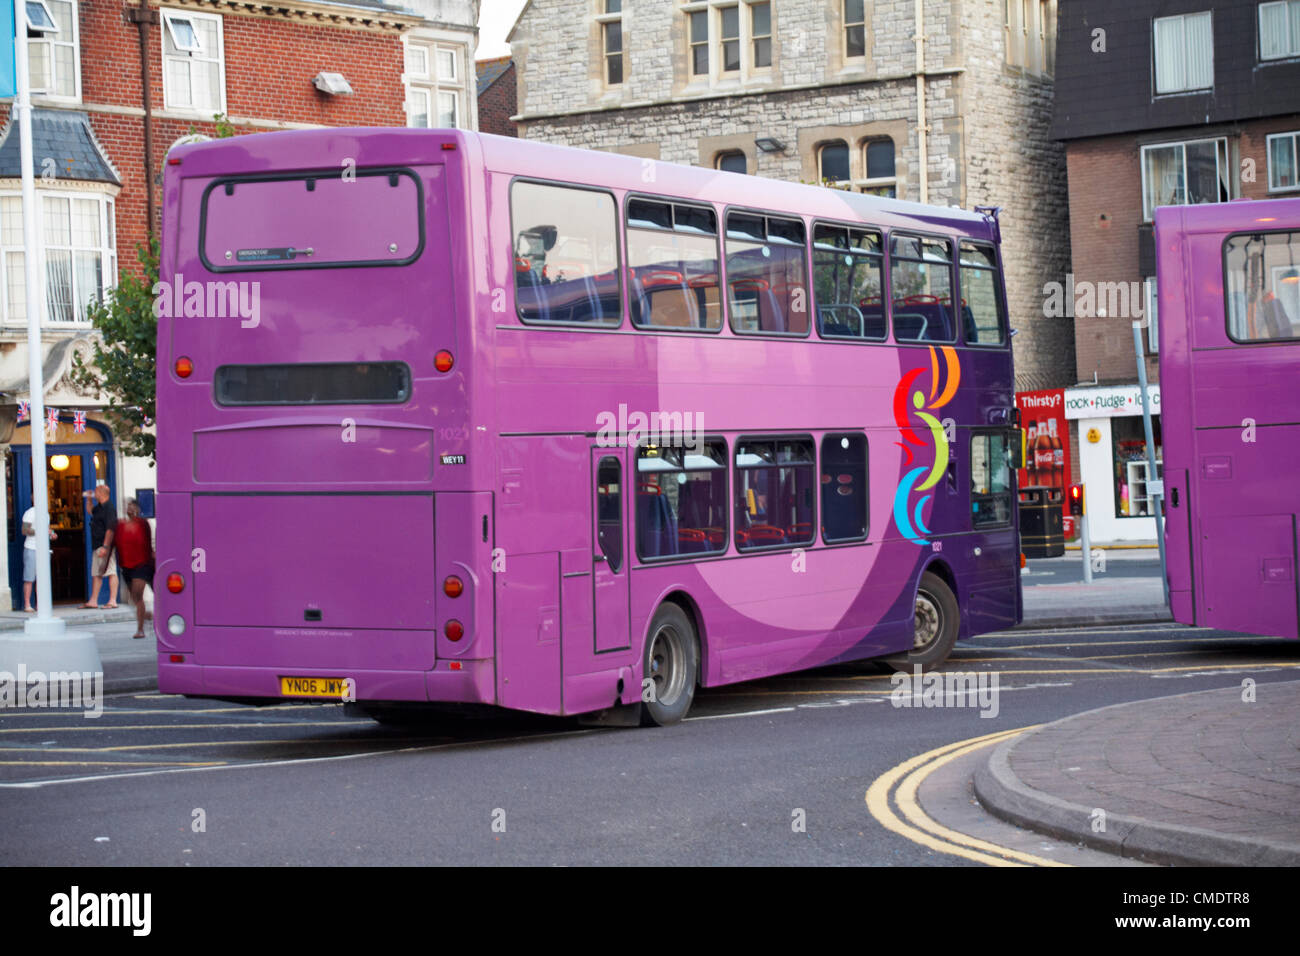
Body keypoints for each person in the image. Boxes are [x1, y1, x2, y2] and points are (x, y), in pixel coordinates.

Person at [115, 498, 154, 639]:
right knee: (135, 600)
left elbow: (149, 543)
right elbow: (115, 545)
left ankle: (140, 629)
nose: (129, 509)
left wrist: (151, 561)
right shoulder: (120, 525)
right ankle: (145, 615)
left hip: (141, 565)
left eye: (132, 506)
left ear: (137, 508)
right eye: (127, 506)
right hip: (126, 567)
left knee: (138, 595)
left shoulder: (143, 524)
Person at [82, 484, 118, 609]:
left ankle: (113, 600)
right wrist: (89, 500)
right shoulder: (99, 508)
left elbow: (110, 529)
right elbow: (90, 511)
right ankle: (93, 600)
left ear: (102, 493)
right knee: (96, 572)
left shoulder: (109, 508)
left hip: (105, 545)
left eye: (96, 492)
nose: (94, 493)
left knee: (111, 571)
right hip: (97, 544)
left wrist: (106, 546)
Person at [19, 505, 57, 612]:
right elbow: (24, 530)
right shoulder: (30, 512)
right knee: (29, 578)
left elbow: (47, 530)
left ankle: (39, 605)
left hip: (44, 549)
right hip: (31, 548)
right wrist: (40, 531)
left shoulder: (46, 514)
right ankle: (27, 604)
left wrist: (52, 534)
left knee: (42, 579)